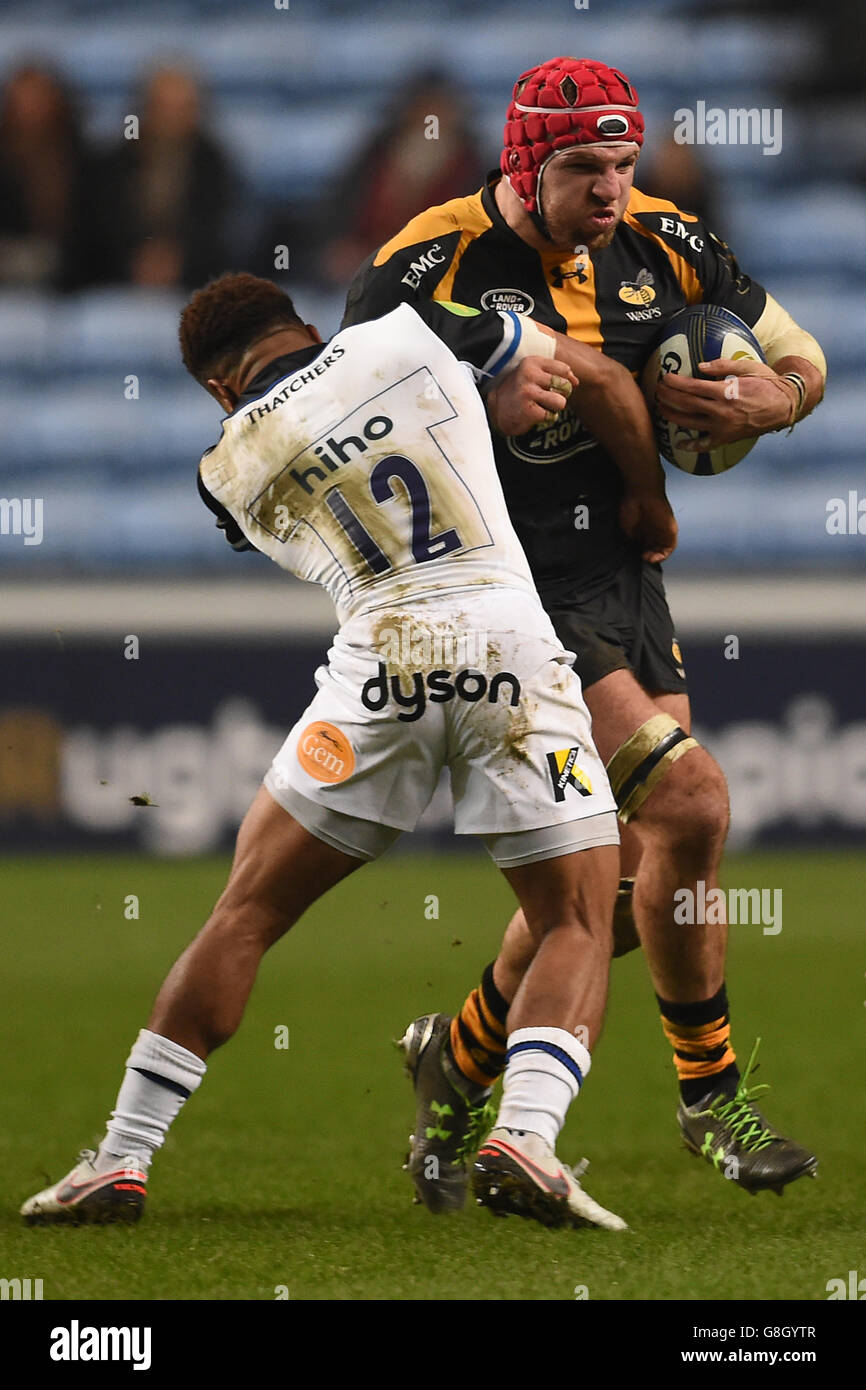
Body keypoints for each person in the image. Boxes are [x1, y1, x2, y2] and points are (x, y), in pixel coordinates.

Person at [20, 270, 673, 1232]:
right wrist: (500, 404)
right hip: (508, 652)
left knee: (244, 912)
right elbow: (551, 375)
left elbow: (342, 481)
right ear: (307, 324)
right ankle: (526, 1139)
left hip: (378, 671)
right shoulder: (411, 334)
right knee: (576, 912)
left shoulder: (223, 469)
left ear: (214, 387)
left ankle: (120, 1159)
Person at [341, 56, 826, 1210]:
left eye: (622, 163)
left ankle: (455, 1054)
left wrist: (776, 398)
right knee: (694, 805)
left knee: (613, 888)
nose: (610, 189)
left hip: (617, 572)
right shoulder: (435, 256)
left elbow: (802, 356)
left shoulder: (665, 240)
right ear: (521, 162)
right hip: (502, 588)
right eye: (580, 168)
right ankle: (709, 1098)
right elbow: (341, 372)